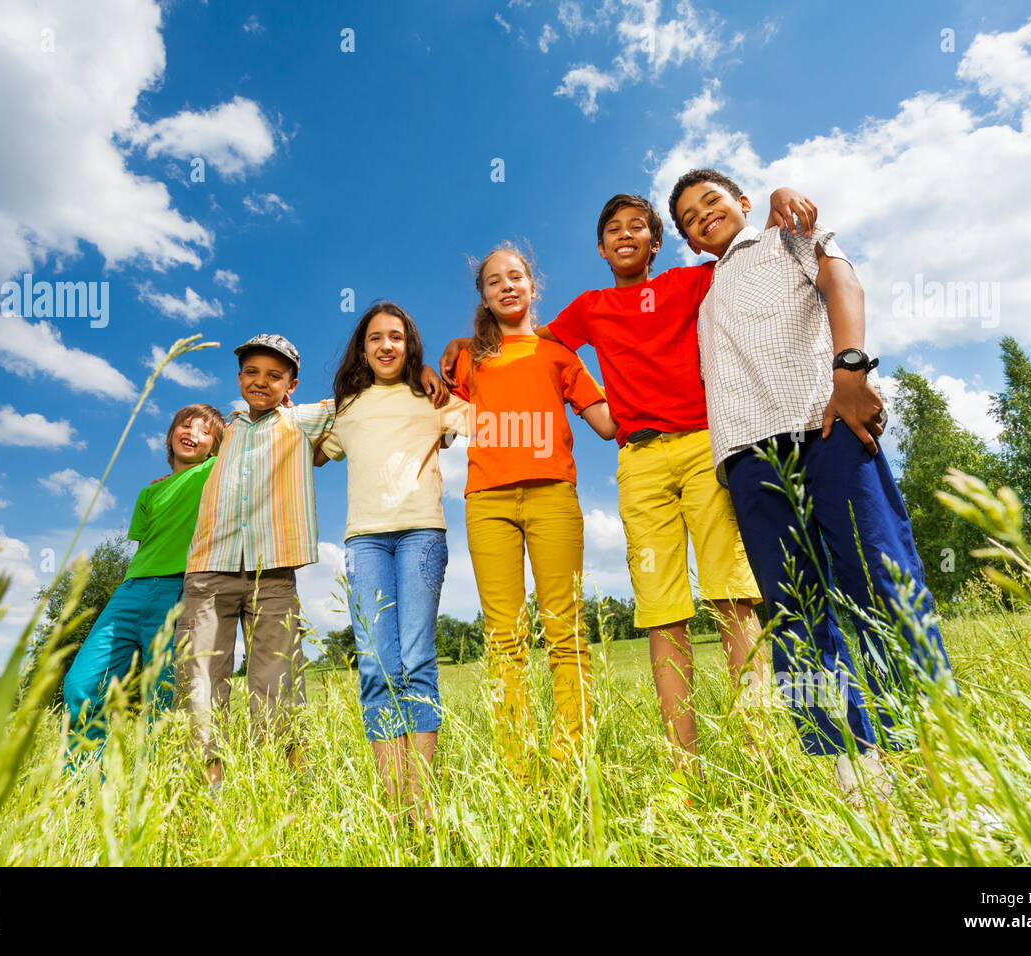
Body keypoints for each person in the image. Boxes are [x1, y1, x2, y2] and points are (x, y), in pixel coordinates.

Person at [441, 187, 812, 782]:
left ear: (658, 242)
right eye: (613, 228)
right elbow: (518, 360)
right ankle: (681, 770)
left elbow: (745, 261)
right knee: (661, 612)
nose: (624, 234)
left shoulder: (690, 284)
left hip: (700, 446)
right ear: (599, 246)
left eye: (638, 226)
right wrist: (464, 348)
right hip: (633, 461)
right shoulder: (583, 313)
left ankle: (762, 757)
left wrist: (773, 206)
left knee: (732, 599)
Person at [669, 168, 954, 802]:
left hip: (820, 426)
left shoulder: (785, 237)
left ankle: (937, 743)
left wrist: (850, 367)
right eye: (688, 218)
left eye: (711, 201)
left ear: (742, 202)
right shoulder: (705, 297)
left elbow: (839, 280)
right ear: (688, 241)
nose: (702, 216)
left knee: (878, 576)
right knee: (796, 611)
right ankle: (852, 762)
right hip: (747, 457)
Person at [450, 244, 617, 780]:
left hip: (552, 498)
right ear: (484, 295)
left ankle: (571, 765)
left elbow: (609, 424)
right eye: (494, 280)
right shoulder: (465, 357)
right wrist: (434, 378)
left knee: (566, 632)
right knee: (504, 640)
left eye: (516, 276)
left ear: (532, 285)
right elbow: (445, 420)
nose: (507, 286)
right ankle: (518, 770)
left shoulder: (560, 353)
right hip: (488, 502)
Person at [315, 301, 469, 822]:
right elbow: (309, 448)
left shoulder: (433, 398)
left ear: (410, 345)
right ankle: (393, 798)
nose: (386, 346)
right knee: (377, 665)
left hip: (422, 534)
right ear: (363, 348)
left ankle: (421, 798)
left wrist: (450, 361)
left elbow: (484, 411)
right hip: (365, 542)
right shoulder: (346, 407)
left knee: (417, 660)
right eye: (376, 337)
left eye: (397, 338)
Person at [174, 334, 335, 787]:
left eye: (274, 375)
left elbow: (360, 399)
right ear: (239, 377)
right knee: (201, 680)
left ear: (292, 384)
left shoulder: (303, 421)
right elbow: (188, 458)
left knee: (277, 681)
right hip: (208, 569)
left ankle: (280, 789)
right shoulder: (224, 430)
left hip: (274, 571)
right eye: (252, 372)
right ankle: (210, 788)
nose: (261, 381)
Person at [62, 404, 225, 767]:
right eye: (185, 425)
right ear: (170, 434)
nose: (192, 433)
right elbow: (144, 546)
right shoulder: (147, 494)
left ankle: (153, 787)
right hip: (130, 592)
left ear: (215, 446)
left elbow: (241, 440)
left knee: (164, 694)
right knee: (81, 684)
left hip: (179, 591)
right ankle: (83, 783)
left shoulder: (213, 472)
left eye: (204, 431)